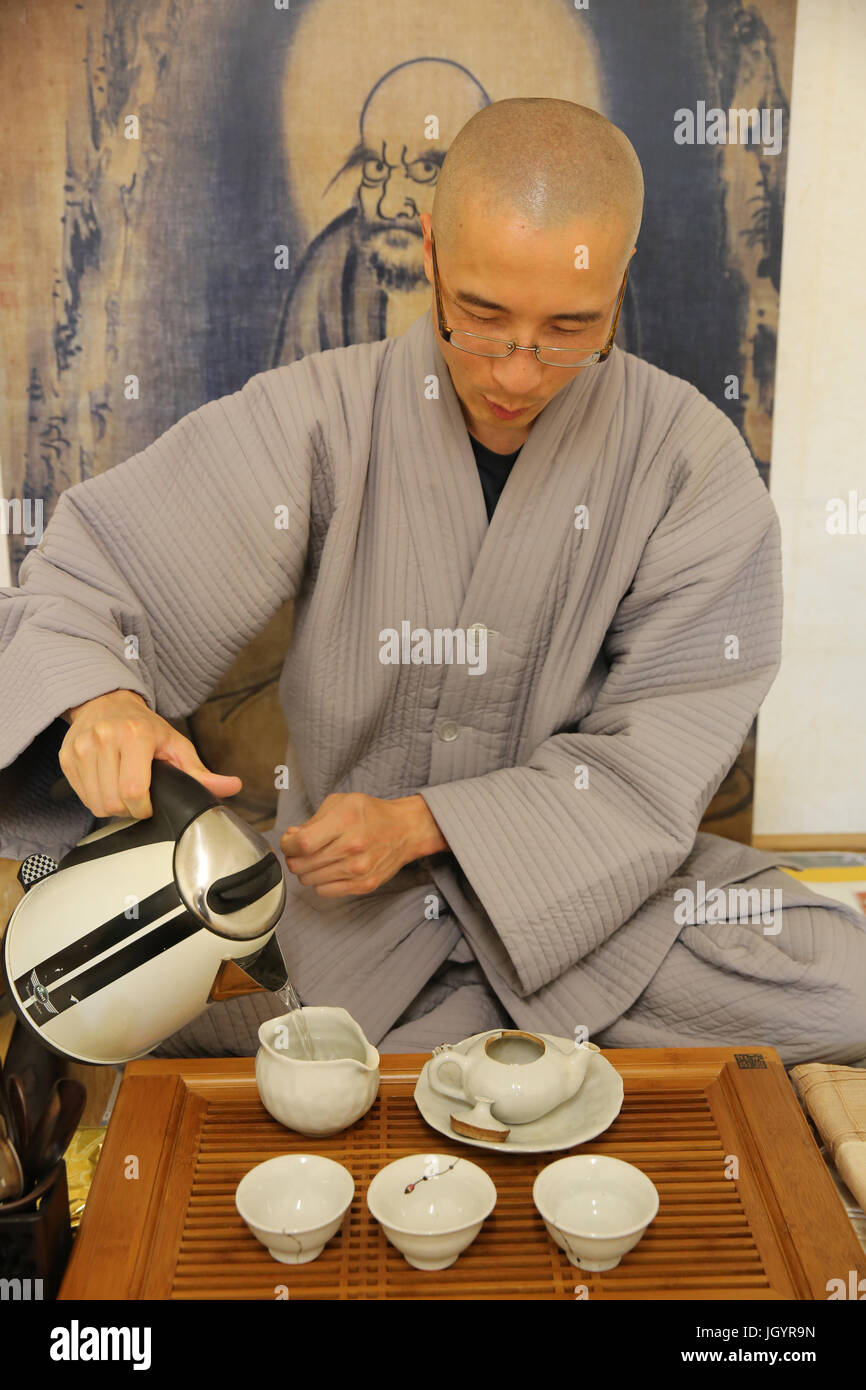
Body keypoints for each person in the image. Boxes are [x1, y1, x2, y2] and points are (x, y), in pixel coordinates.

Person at [1, 99, 864, 1067]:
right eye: (482, 317)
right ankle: (468, 1048)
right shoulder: (324, 415)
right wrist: (102, 698)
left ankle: (426, 1045)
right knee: (87, 997)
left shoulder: (688, 463)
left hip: (592, 913)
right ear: (430, 252)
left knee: (842, 984)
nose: (517, 372)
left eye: (568, 329)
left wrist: (425, 823)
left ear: (619, 287)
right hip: (338, 912)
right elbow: (96, 570)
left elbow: (650, 770)